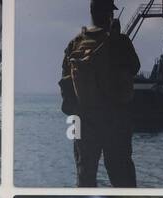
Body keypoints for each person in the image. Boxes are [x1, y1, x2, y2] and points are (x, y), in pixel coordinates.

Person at [60, 0, 139, 187]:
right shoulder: (119, 41)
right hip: (115, 117)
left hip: (82, 119)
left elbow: (65, 80)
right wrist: (116, 37)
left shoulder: (76, 43)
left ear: (91, 12)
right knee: (122, 175)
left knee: (84, 174)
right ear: (109, 14)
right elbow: (134, 67)